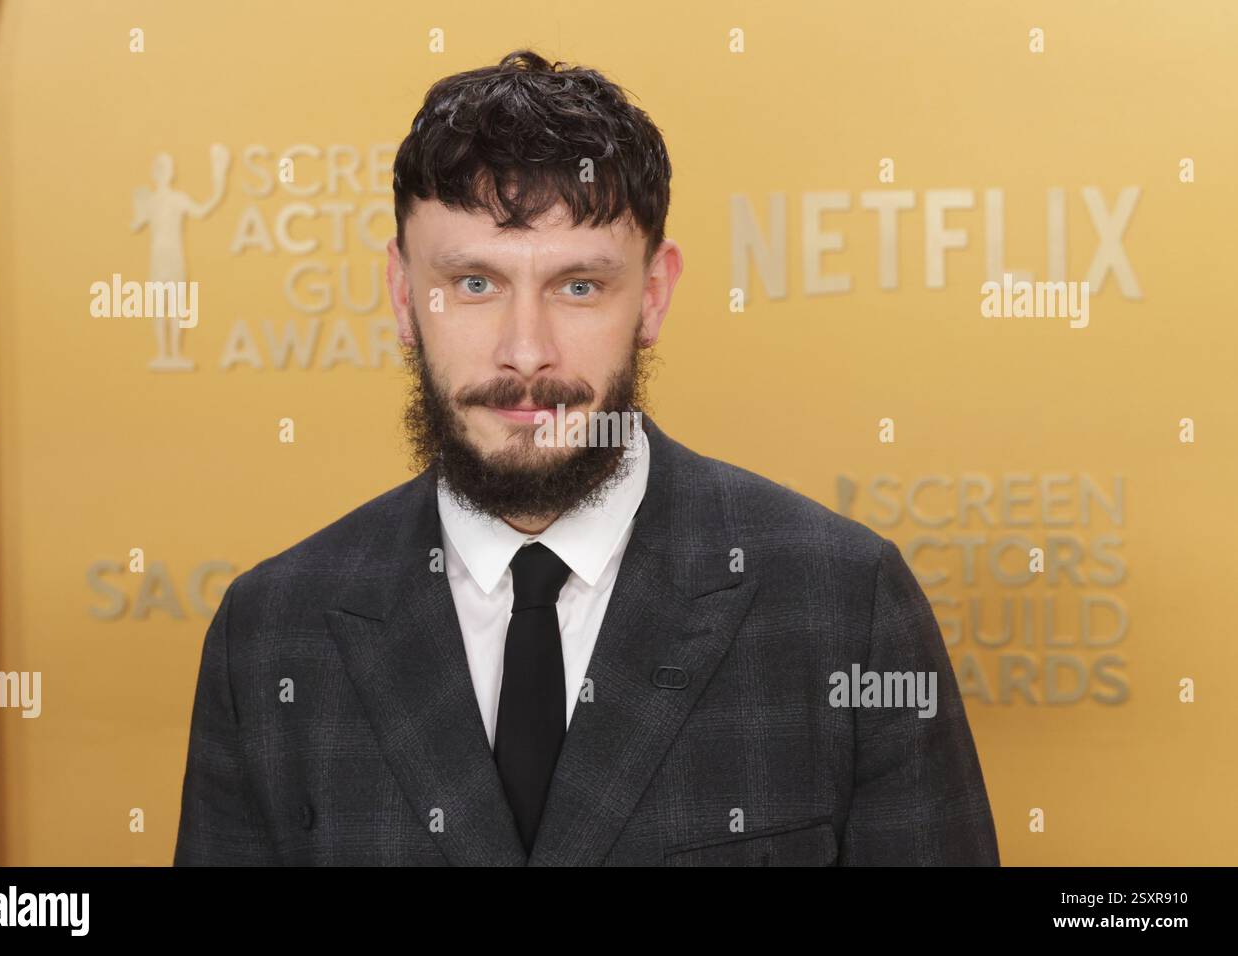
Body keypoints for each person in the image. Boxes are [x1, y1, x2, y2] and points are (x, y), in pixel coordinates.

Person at [174, 49, 999, 866]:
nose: (526, 353)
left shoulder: (843, 604)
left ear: (654, 294)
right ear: (401, 295)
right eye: (473, 284)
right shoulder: (270, 633)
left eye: (578, 287)